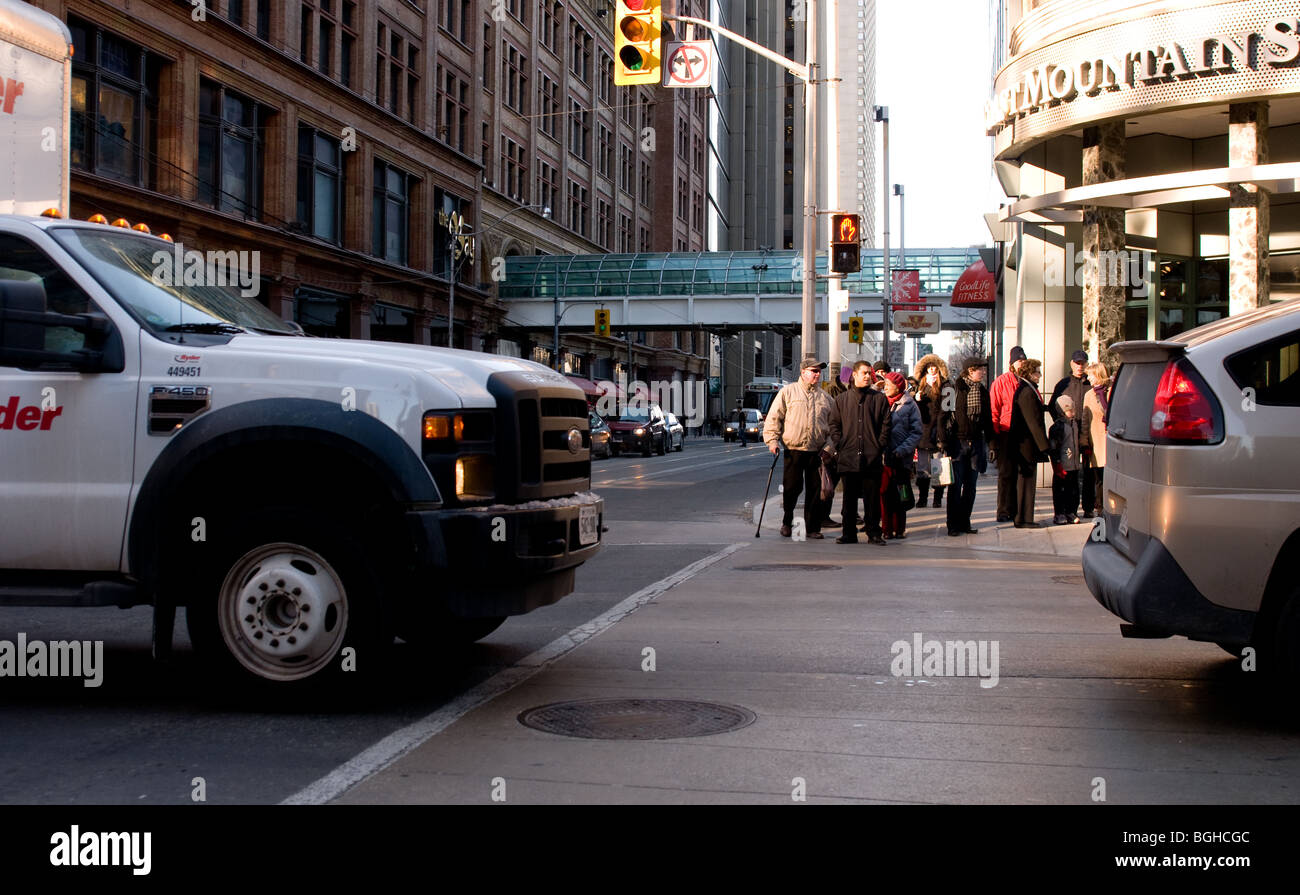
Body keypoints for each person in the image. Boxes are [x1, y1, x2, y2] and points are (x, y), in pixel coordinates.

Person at [764, 355, 834, 539]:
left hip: (816, 452)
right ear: (803, 372)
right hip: (794, 450)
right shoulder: (788, 392)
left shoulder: (826, 398)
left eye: (819, 371)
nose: (817, 374)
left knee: (815, 491)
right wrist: (772, 441)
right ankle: (787, 522)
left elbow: (835, 428)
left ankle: (812, 528)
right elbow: (774, 418)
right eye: (814, 371)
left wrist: (829, 449)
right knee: (791, 488)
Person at [826, 360, 891, 545]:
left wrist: (879, 445)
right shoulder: (841, 400)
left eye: (869, 373)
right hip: (848, 456)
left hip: (872, 457)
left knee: (872, 499)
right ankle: (848, 533)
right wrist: (840, 444)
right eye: (864, 373)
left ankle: (874, 533)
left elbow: (886, 425)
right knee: (849, 499)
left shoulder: (878, 399)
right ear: (854, 375)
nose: (868, 376)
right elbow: (834, 425)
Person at [939, 356, 995, 536]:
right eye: (981, 369)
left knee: (971, 486)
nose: (984, 372)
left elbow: (988, 421)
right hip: (957, 443)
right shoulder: (952, 389)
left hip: (976, 444)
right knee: (955, 487)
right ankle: (953, 524)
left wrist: (992, 444)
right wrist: (944, 442)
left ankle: (965, 522)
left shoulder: (983, 391)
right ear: (970, 370)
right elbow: (943, 417)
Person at [1049, 349, 1093, 519]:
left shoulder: (1090, 383)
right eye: (1077, 363)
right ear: (1071, 364)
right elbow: (1053, 406)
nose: (1080, 366)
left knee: (1088, 472)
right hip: (1068, 434)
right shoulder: (1063, 384)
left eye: (1083, 363)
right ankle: (1064, 510)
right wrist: (1062, 424)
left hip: (1086, 433)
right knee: (1066, 474)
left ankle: (1088, 507)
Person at [1008, 358, 1050, 528]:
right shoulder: (1026, 391)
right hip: (1026, 445)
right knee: (1026, 482)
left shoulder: (1026, 389)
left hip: (1025, 444)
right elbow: (1033, 422)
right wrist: (1045, 446)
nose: (1040, 375)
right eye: (1037, 372)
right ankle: (1024, 518)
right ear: (1030, 373)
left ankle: (1024, 517)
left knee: (1026, 481)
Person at [880, 372, 921, 539]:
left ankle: (899, 529)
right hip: (884, 457)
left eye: (888, 384)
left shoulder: (910, 405)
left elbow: (916, 432)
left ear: (898, 386)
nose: (885, 387)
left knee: (900, 494)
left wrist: (903, 449)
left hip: (901, 458)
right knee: (884, 494)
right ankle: (886, 529)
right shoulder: (881, 402)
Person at [990, 346, 1027, 522]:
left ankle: (1018, 510)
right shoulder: (1001, 382)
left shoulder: (1027, 381)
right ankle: (1003, 510)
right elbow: (994, 410)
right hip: (1005, 432)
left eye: (1023, 361)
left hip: (1024, 434)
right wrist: (994, 439)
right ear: (1012, 363)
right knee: (1006, 474)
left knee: (1021, 474)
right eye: (1019, 361)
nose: (1022, 364)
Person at [913, 354, 948, 510]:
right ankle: (922, 497)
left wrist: (945, 433)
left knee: (938, 468)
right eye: (929, 368)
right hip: (923, 433)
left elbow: (949, 409)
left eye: (934, 367)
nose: (932, 370)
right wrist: (917, 399)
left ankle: (938, 498)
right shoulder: (918, 387)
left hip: (939, 432)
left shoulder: (947, 386)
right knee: (922, 469)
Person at [1081, 361, 1112, 519]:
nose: (1089, 379)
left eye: (1091, 376)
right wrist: (1084, 441)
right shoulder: (1089, 395)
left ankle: (1110, 507)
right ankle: (1099, 508)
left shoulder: (1112, 391)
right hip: (1096, 442)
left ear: (1099, 375)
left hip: (1111, 440)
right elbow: (1085, 420)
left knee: (1110, 476)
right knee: (1098, 477)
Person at [1048, 395, 1083, 525]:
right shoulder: (1058, 427)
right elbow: (1053, 448)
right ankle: (1059, 513)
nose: (1073, 413)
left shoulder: (1074, 424)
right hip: (1062, 466)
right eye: (1069, 410)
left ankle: (1071, 511)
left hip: (1073, 465)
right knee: (1060, 491)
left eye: (1073, 410)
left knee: (1073, 490)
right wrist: (1057, 464)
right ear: (1062, 411)